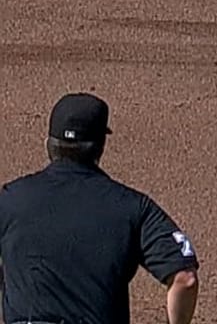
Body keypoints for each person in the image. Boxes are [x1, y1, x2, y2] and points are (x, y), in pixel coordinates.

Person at [0, 92, 200, 324]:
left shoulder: (9, 199)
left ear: (48, 144)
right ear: (100, 147)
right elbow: (185, 279)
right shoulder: (133, 206)